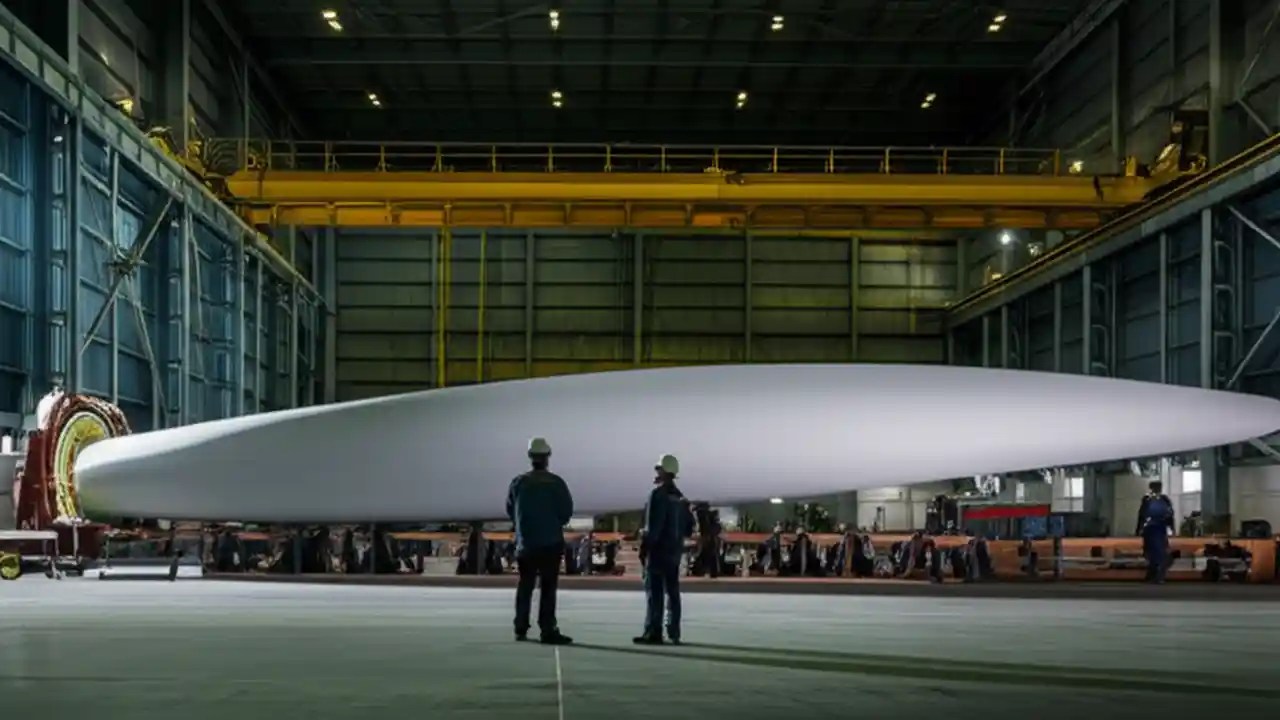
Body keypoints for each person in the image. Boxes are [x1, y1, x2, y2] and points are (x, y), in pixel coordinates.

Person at [506, 437, 574, 644]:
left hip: (526, 544)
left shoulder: (519, 482)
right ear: (547, 458)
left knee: (525, 585)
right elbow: (566, 513)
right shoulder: (556, 483)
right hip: (550, 543)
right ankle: (547, 629)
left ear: (530, 457)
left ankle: (520, 628)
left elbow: (510, 509)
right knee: (548, 587)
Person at [634, 453, 694, 646]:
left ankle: (654, 631)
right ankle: (674, 631)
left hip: (658, 551)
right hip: (674, 552)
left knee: (655, 593)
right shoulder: (681, 499)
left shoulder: (657, 495)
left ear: (663, 472)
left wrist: (644, 548)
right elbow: (689, 528)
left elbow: (653, 528)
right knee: (673, 592)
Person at [1137, 480, 1175, 583]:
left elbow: (1141, 515)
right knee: (1159, 553)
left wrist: (1139, 529)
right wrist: (1172, 528)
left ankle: (1154, 575)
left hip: (1151, 529)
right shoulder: (1164, 499)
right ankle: (1157, 575)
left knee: (1153, 553)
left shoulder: (1148, 499)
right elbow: (1170, 515)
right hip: (1159, 529)